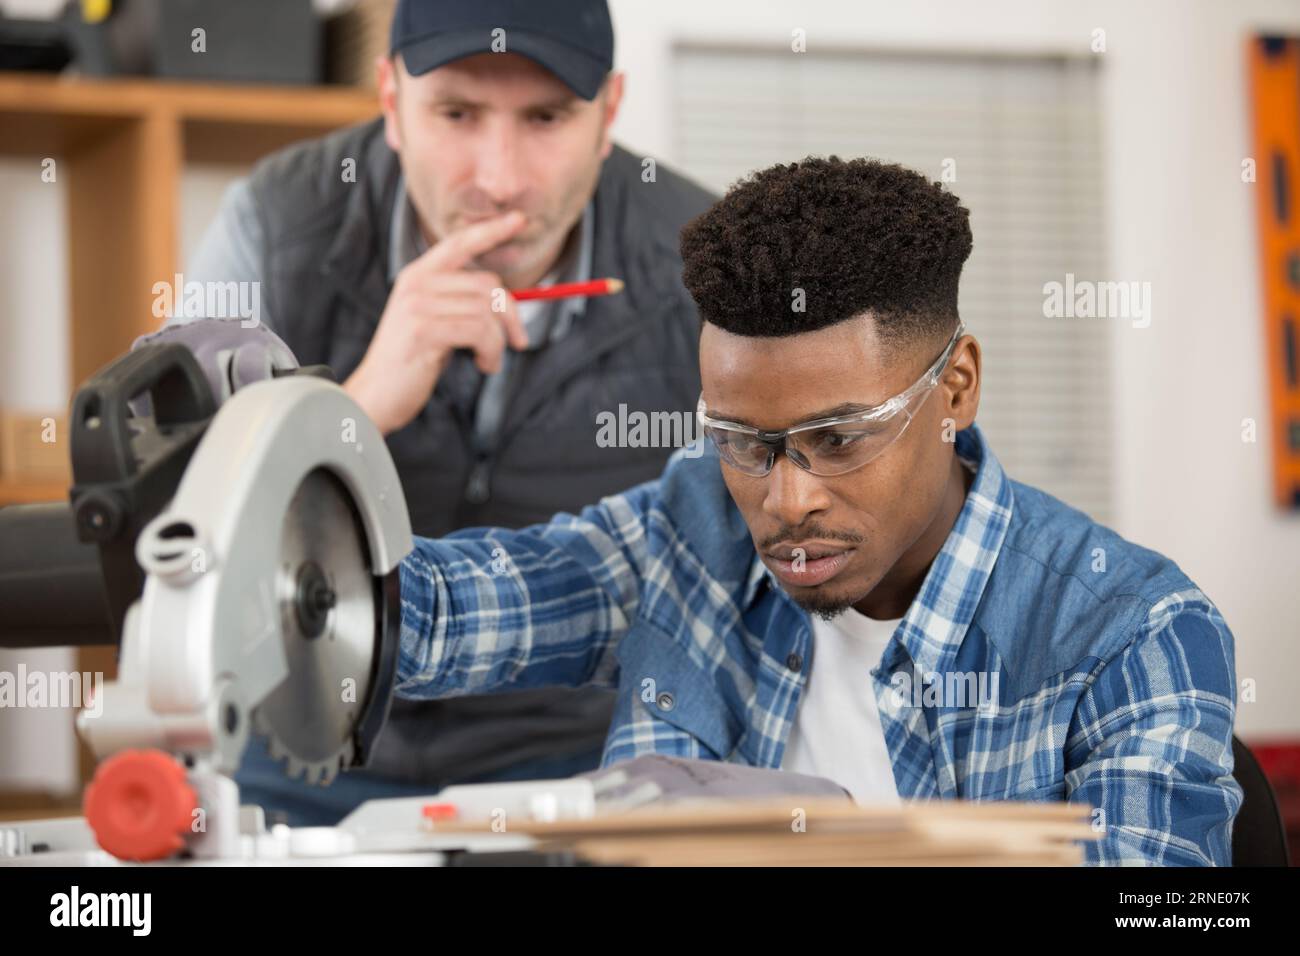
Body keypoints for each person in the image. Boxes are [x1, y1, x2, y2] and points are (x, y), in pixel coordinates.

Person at [393, 156, 1243, 865]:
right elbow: (431, 616)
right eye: (742, 442)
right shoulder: (690, 534)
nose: (786, 500)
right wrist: (328, 421)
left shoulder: (1136, 635)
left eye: (839, 440)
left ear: (957, 389)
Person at [179, 0, 715, 824]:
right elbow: (177, 535)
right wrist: (352, 409)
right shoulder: (272, 222)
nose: (498, 177)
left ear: (608, 115)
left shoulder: (700, 259)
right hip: (301, 743)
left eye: (545, 117)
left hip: (587, 766)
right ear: (392, 103)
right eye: (457, 113)